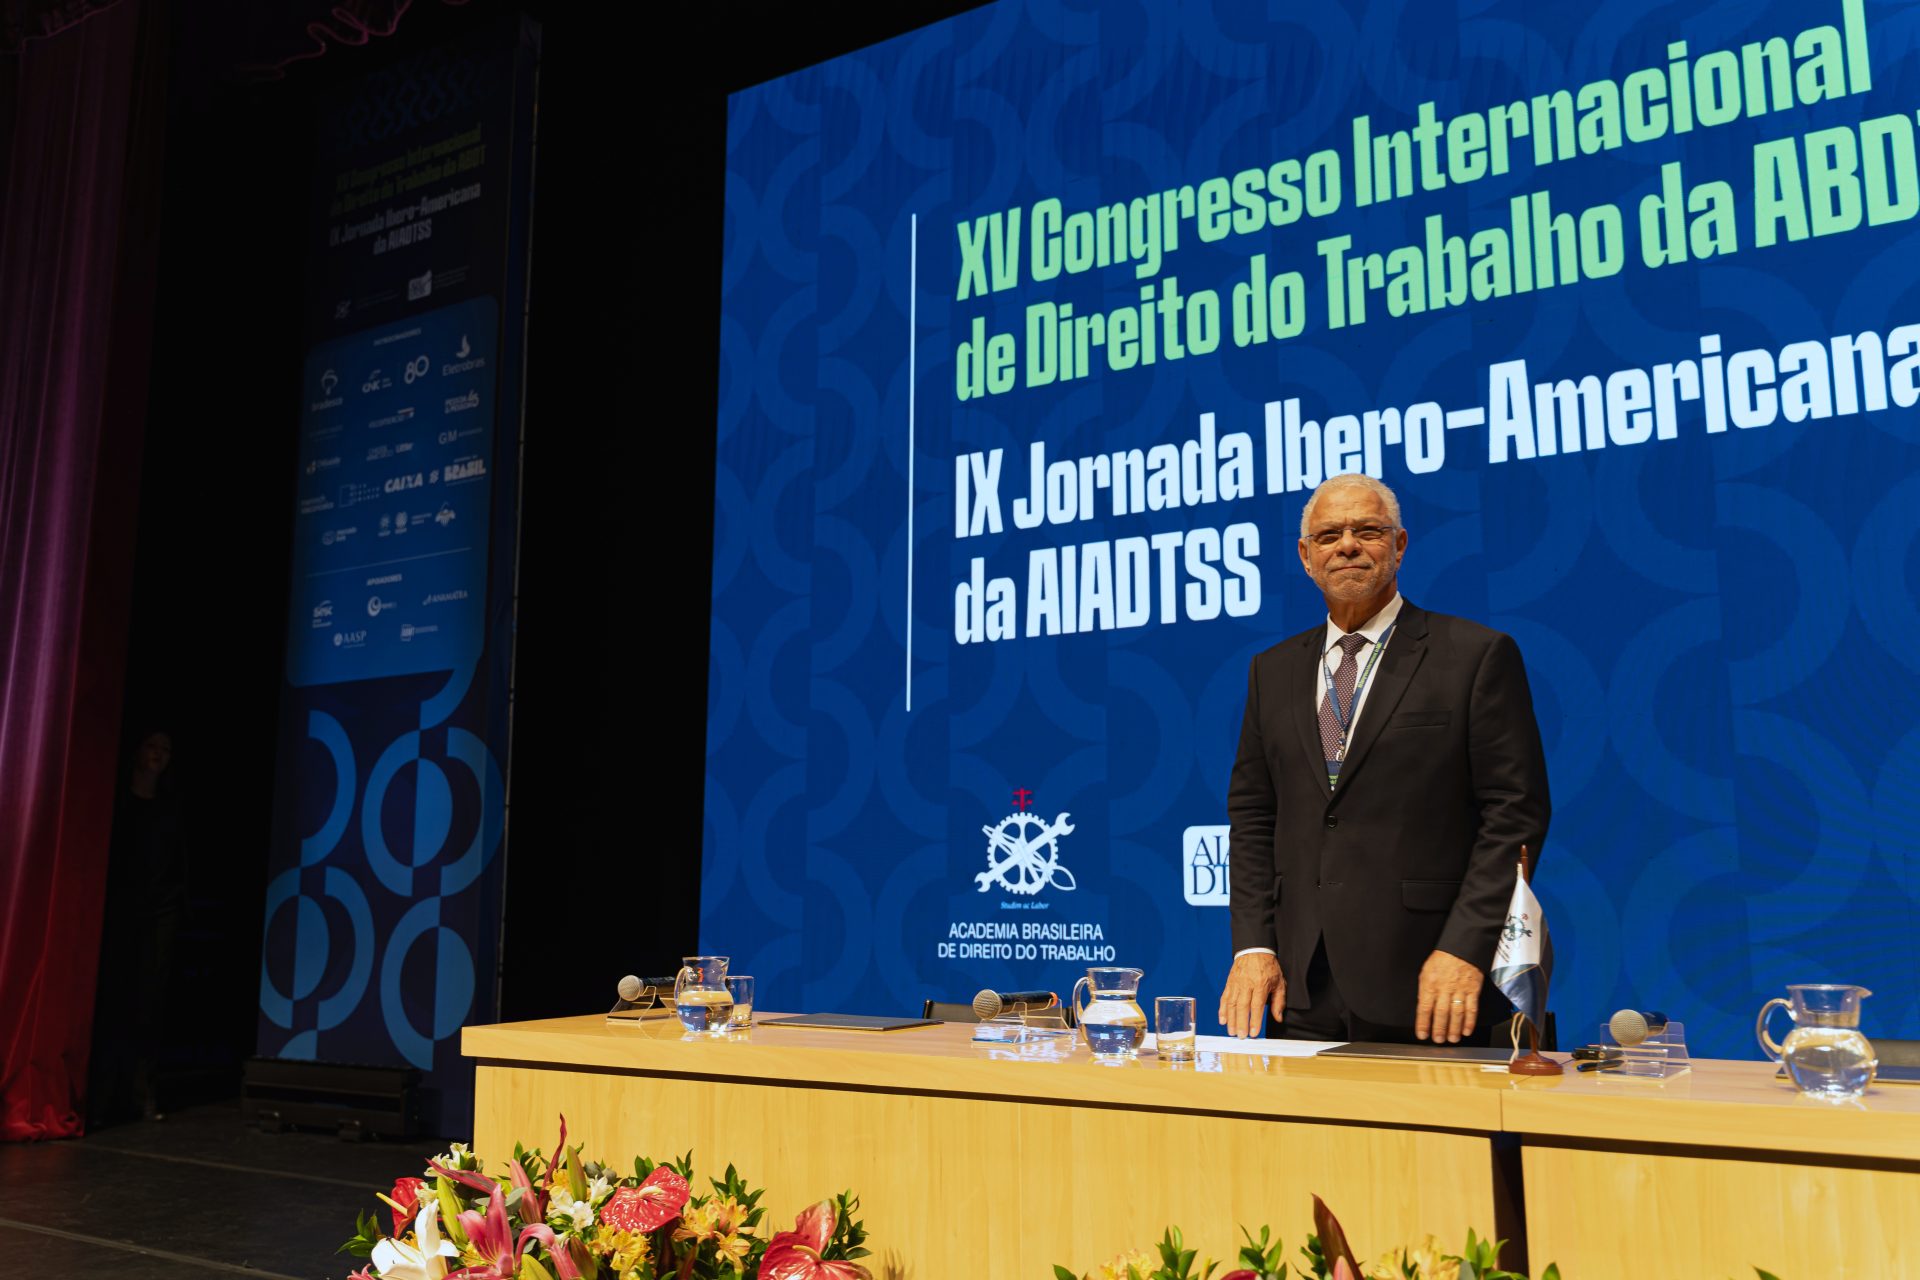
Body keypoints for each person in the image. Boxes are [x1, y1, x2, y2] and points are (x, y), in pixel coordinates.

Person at [1217, 475, 1550, 1045]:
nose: (1347, 545)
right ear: (1305, 557)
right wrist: (1255, 945)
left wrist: (1464, 948)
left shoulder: (1474, 656)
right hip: (1301, 988)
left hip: (1434, 985)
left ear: (1399, 545)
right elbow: (1253, 817)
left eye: (1367, 530)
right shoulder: (1270, 672)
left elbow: (1514, 816)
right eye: (1328, 535)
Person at [89, 728, 186, 1125]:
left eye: (166, 749)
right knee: (113, 1001)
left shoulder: (170, 807)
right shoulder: (118, 802)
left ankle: (141, 1094)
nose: (158, 754)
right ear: (136, 751)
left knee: (148, 1005)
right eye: (152, 746)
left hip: (159, 912)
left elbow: (178, 861)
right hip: (119, 911)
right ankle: (100, 1097)